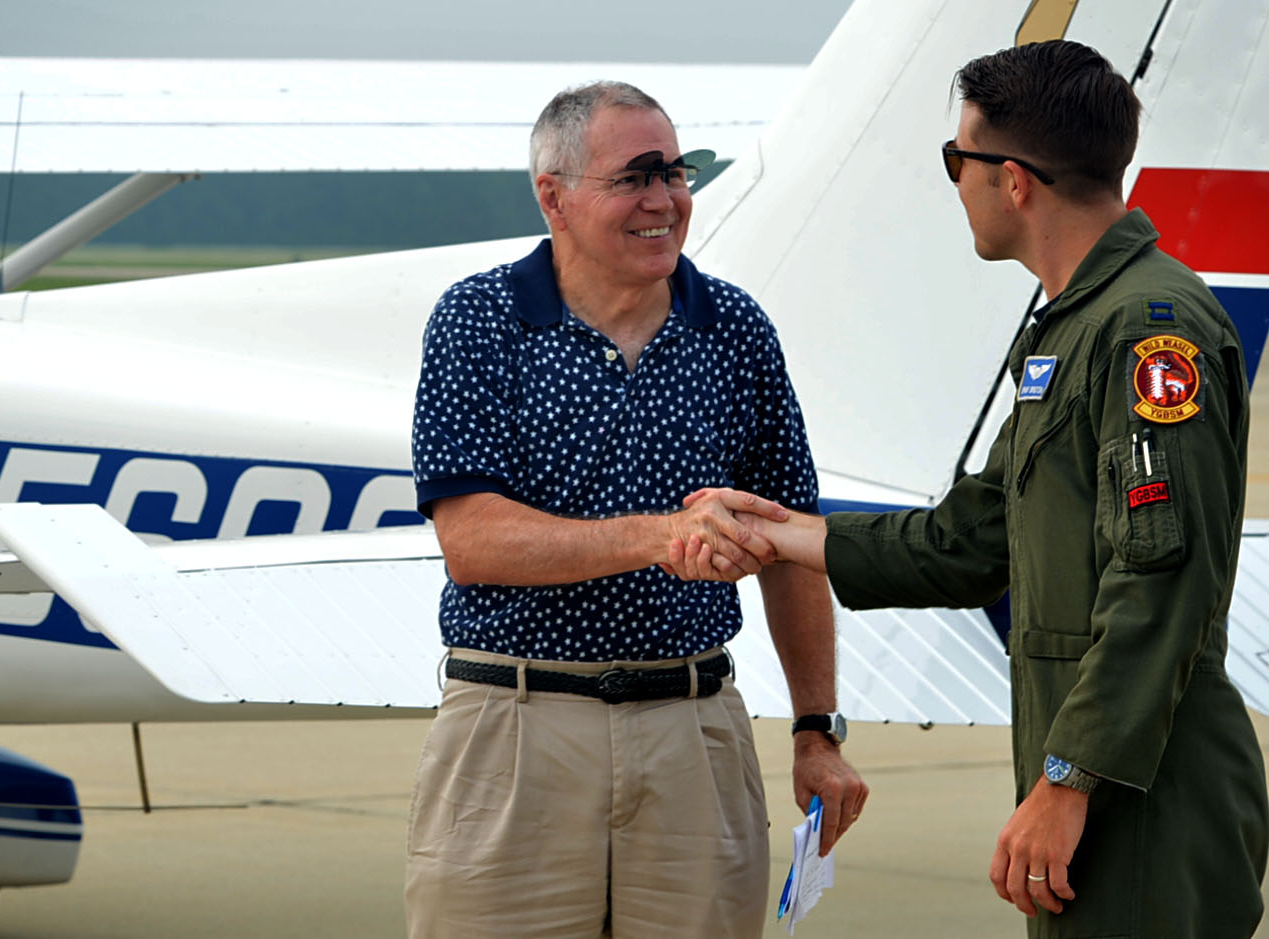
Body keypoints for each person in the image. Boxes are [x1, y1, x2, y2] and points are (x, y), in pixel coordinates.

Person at [671, 40, 1269, 938]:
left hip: (1147, 794)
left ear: (1014, 180)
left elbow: (1160, 587)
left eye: (958, 160)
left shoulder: (1150, 332)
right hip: (1100, 779)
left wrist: (1068, 780)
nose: (954, 182)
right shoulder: (1069, 329)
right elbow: (972, 540)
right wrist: (786, 532)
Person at [405, 80, 867, 938]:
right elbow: (471, 541)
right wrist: (661, 535)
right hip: (516, 732)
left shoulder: (734, 329)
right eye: (634, 177)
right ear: (554, 196)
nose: (664, 200)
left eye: (675, 173)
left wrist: (815, 728)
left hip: (692, 731)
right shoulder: (476, 322)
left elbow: (791, 542)